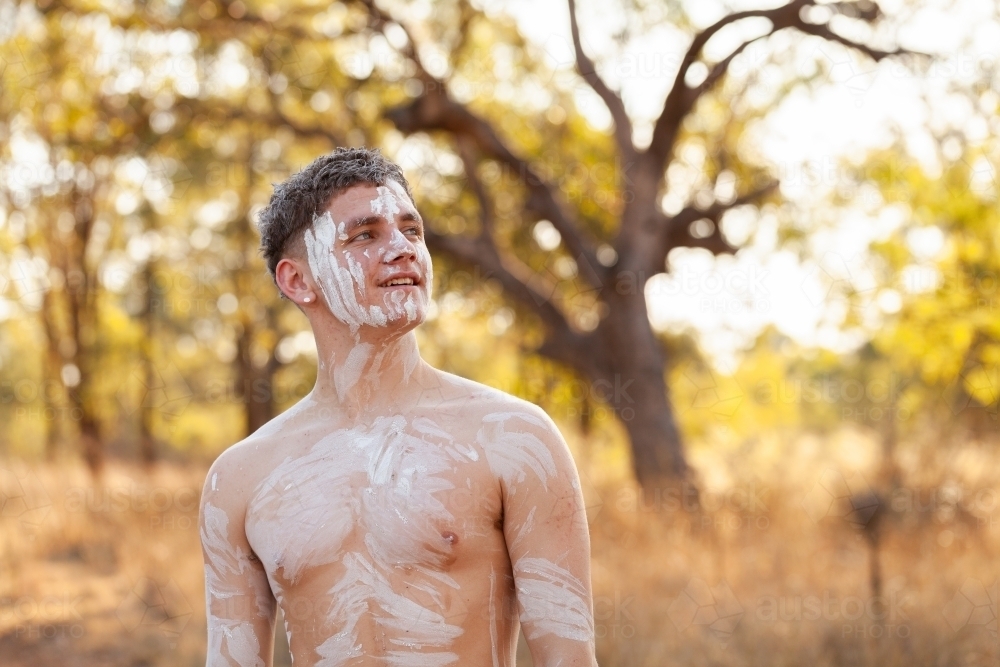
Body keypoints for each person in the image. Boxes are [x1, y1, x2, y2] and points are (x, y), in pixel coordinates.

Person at [199, 147, 597, 667]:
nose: (401, 248)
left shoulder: (513, 438)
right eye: (364, 235)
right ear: (298, 281)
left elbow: (567, 660)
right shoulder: (240, 477)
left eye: (412, 230)